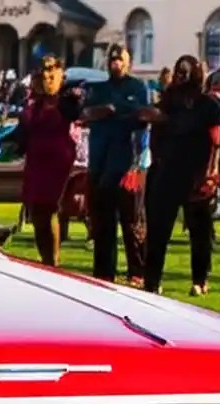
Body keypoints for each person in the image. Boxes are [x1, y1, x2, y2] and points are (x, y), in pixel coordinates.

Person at [143, 54, 220, 296]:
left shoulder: (209, 105)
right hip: (167, 170)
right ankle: (152, 281)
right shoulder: (168, 100)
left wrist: (211, 172)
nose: (182, 76)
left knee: (200, 230)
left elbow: (215, 140)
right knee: (158, 229)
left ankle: (200, 279)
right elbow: (155, 132)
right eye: (179, 72)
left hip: (196, 172)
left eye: (187, 72)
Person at [80, 43, 151, 284]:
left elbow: (142, 115)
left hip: (129, 164)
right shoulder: (98, 89)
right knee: (103, 222)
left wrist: (115, 111)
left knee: (132, 222)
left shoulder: (138, 87)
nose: (116, 63)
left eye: (120, 59)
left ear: (128, 62)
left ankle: (137, 271)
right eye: (112, 59)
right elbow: (87, 113)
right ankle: (103, 273)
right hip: (100, 161)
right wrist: (107, 111)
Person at [13, 55, 81, 266]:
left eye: (52, 72)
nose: (47, 77)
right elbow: (21, 135)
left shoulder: (69, 101)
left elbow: (79, 120)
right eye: (44, 72)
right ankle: (45, 260)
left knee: (49, 209)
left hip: (59, 164)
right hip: (36, 162)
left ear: (61, 75)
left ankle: (53, 262)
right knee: (37, 214)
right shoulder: (34, 105)